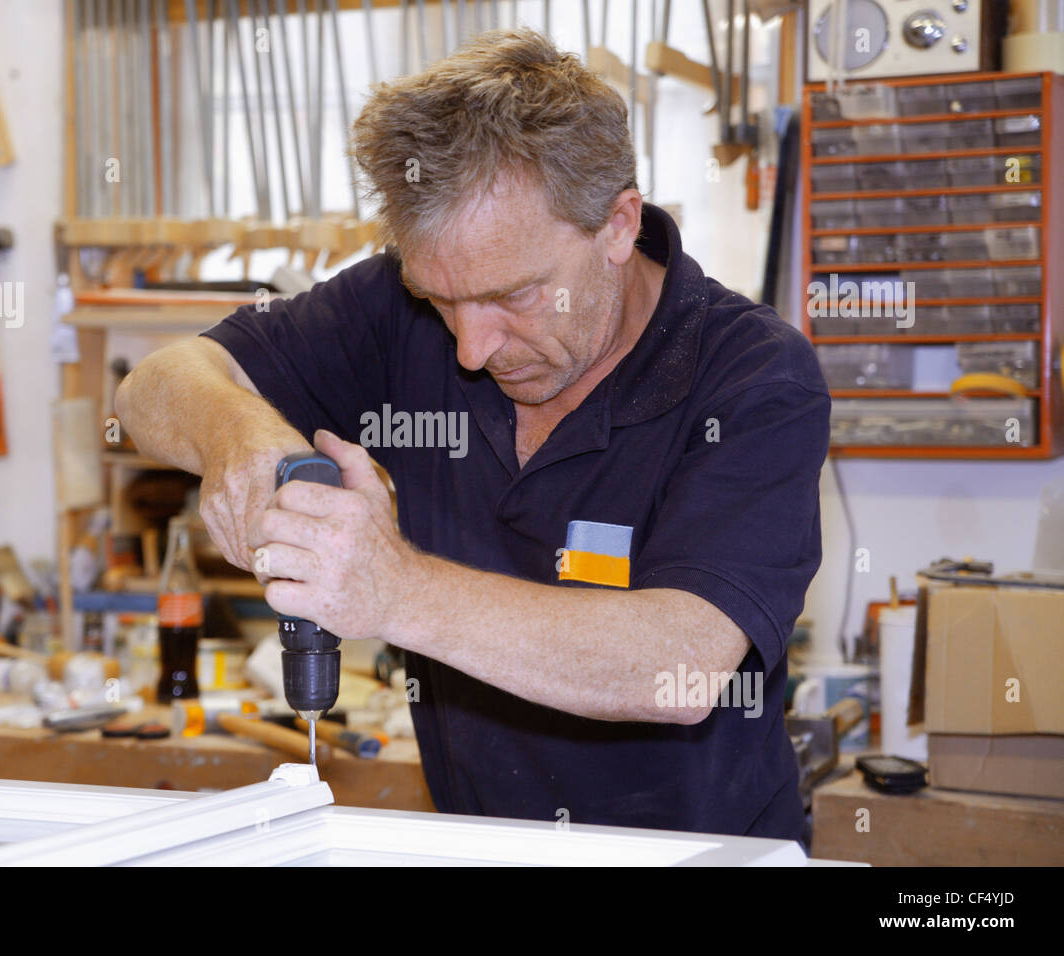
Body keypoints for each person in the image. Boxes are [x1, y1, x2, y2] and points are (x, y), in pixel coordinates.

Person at [115, 28, 830, 841]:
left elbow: (681, 666)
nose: (470, 347)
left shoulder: (754, 376)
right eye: (440, 300)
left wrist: (394, 590)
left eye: (512, 296)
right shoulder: (399, 308)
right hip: (479, 848)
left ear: (617, 226)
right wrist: (236, 435)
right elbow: (152, 387)